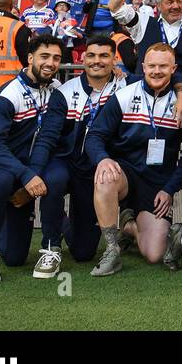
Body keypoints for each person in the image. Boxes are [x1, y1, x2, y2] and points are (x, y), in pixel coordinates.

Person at [0, 35, 69, 285]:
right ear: (30, 58)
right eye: (44, 56)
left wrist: (31, 176)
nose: (50, 63)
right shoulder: (8, 94)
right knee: (2, 180)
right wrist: (26, 176)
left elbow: (48, 139)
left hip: (25, 171)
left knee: (15, 257)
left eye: (56, 58)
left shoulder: (56, 93)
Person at [85, 44, 182, 276]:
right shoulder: (124, 95)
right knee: (105, 177)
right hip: (124, 174)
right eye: (152, 66)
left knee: (154, 254)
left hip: (158, 183)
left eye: (164, 66)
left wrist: (169, 189)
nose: (157, 71)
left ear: (173, 69)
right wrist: (103, 159)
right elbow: (95, 135)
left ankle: (129, 227)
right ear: (143, 67)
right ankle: (112, 250)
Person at [52, 34, 126, 266]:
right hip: (68, 164)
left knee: (83, 253)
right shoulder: (65, 91)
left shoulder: (126, 86)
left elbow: (163, 73)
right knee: (51, 182)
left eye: (104, 56)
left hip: (96, 172)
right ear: (83, 59)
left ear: (114, 60)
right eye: (92, 55)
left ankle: (64, 222)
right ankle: (50, 235)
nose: (97, 61)